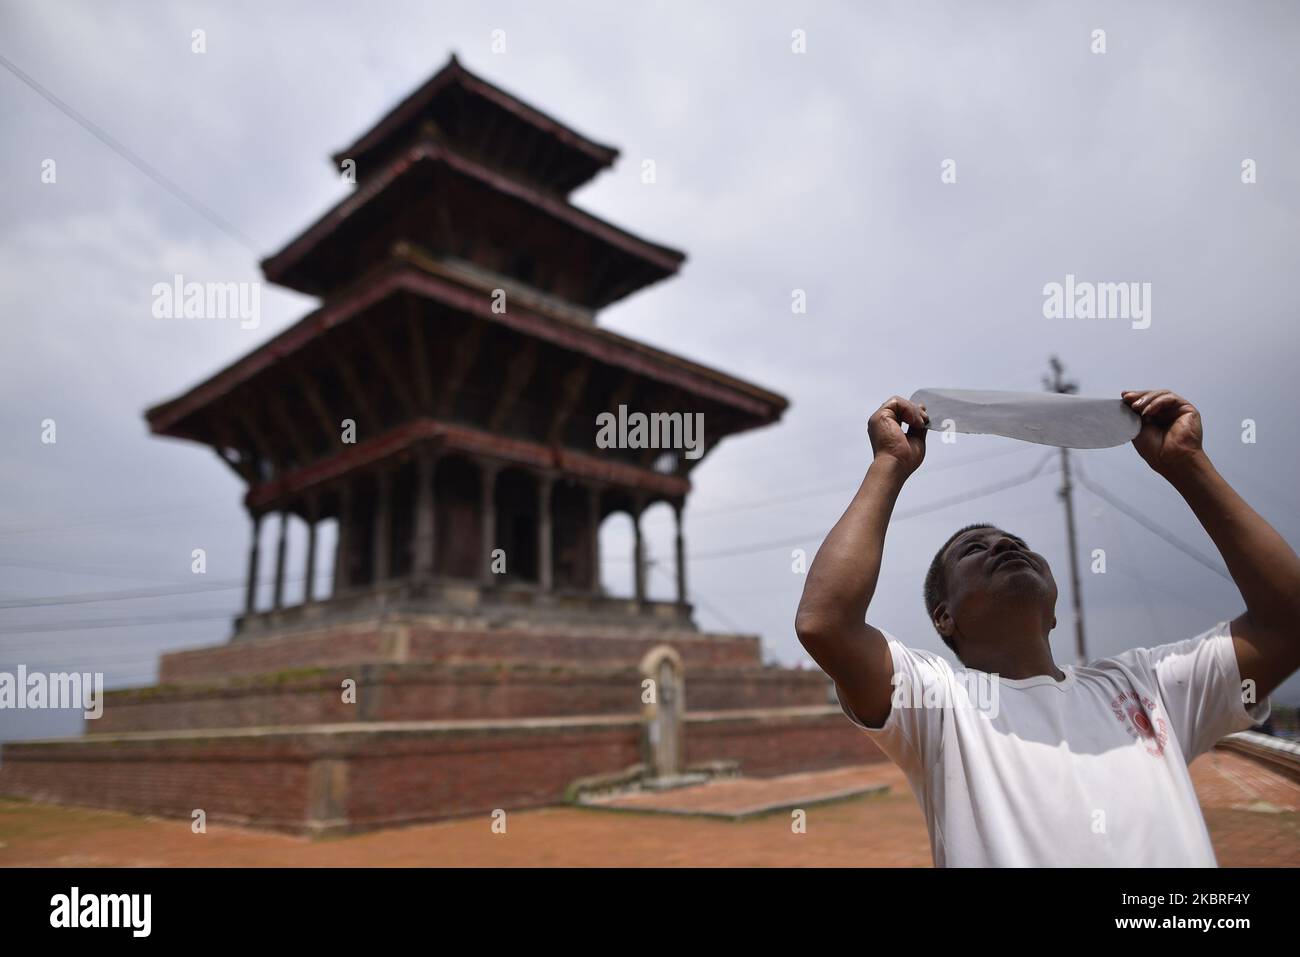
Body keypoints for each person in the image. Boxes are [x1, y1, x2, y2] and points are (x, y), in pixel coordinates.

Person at [794, 389, 1300, 866]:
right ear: (944, 617)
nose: (1003, 545)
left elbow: (1288, 622)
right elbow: (826, 624)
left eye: (1016, 542)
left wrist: (1188, 464)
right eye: (975, 549)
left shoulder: (1149, 686)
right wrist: (889, 464)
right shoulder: (938, 704)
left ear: (1052, 609)